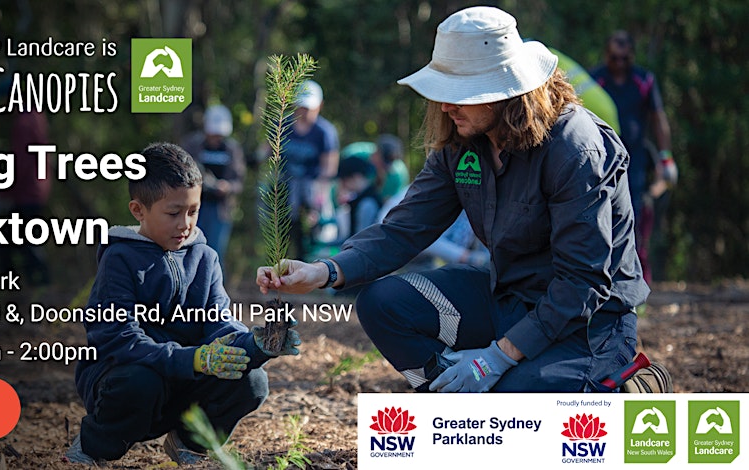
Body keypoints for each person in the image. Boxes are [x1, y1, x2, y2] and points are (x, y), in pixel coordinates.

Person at [257, 6, 657, 393]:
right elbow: (403, 229)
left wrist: (495, 359)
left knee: (510, 400)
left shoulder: (574, 149)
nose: (445, 106)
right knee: (382, 303)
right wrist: (325, 271)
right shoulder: (462, 144)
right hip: (507, 299)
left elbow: (582, 283)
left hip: (587, 324)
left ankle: (626, 388)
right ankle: (452, 402)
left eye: (459, 93)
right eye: (442, 92)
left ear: (506, 91)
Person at [67, 143, 300, 465]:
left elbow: (218, 321)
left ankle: (189, 442)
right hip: (128, 381)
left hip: (187, 379)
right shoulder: (119, 259)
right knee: (138, 382)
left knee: (252, 381)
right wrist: (192, 359)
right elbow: (119, 339)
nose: (185, 224)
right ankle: (93, 447)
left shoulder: (204, 257)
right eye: (173, 213)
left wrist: (255, 344)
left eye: (193, 211)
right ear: (139, 210)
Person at [589, 30, 678, 284]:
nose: (619, 63)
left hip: (635, 163)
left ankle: (634, 284)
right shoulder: (595, 81)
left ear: (631, 56)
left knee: (635, 220)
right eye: (614, 58)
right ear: (607, 55)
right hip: (602, 163)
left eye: (624, 58)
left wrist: (666, 158)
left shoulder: (643, 80)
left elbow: (658, 118)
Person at [180, 104, 246, 273]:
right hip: (193, 208)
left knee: (214, 252)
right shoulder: (193, 145)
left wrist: (227, 187)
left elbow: (239, 180)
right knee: (189, 248)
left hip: (220, 210)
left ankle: (214, 293)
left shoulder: (232, 149)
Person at [280, 79, 340, 260]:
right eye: (301, 107)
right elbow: (268, 154)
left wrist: (317, 199)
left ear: (319, 106)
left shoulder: (325, 132)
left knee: (316, 230)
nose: (304, 112)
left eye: (309, 108)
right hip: (286, 186)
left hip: (313, 188)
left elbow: (329, 169)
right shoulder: (283, 125)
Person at [0, 110, 52, 286]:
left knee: (22, 241)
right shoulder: (36, 117)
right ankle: (33, 287)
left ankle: (39, 288)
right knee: (23, 239)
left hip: (27, 192)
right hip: (36, 189)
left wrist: (7, 191)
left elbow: (21, 161)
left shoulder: (24, 123)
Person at [369, 134, 410, 206]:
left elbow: (391, 202)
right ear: (376, 152)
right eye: (382, 162)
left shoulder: (398, 175)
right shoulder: (358, 155)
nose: (384, 167)